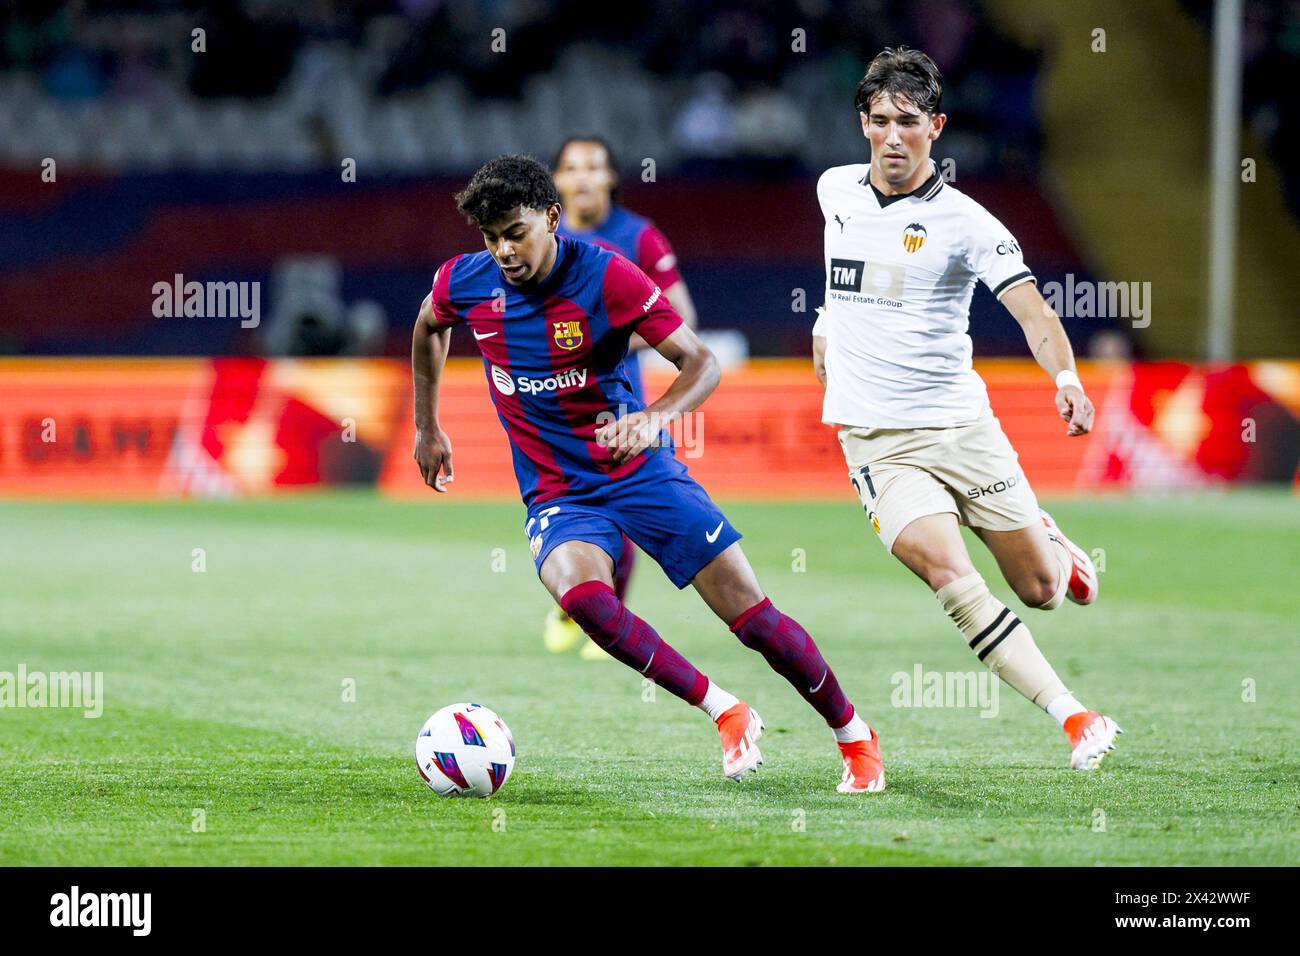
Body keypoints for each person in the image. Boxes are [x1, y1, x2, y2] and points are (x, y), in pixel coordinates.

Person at [412, 154, 884, 791]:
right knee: (581, 597)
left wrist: (656, 417)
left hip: (635, 471)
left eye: (516, 233)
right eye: (491, 238)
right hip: (557, 491)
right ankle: (726, 710)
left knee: (750, 616)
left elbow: (702, 362)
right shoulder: (464, 281)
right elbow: (428, 326)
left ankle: (854, 734)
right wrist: (427, 425)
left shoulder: (607, 276)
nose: (503, 251)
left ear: (552, 218)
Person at [813, 48, 1120, 771]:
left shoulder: (967, 223)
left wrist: (1067, 379)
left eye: (909, 123)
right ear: (863, 123)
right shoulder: (834, 190)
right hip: (876, 442)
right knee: (950, 574)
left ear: (937, 126)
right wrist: (828, 322)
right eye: (881, 121)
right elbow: (844, 269)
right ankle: (1074, 716)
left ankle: (1046, 541)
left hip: (961, 429)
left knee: (1041, 590)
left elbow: (1034, 312)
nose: (893, 136)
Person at [541, 135, 699, 658]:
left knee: (619, 504)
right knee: (564, 502)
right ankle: (576, 603)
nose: (583, 177)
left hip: (619, 400)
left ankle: (605, 609)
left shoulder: (639, 237)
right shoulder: (542, 239)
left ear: (611, 178)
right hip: (551, 403)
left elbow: (683, 320)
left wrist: (601, 339)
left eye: (594, 167)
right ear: (556, 181)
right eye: (571, 168)